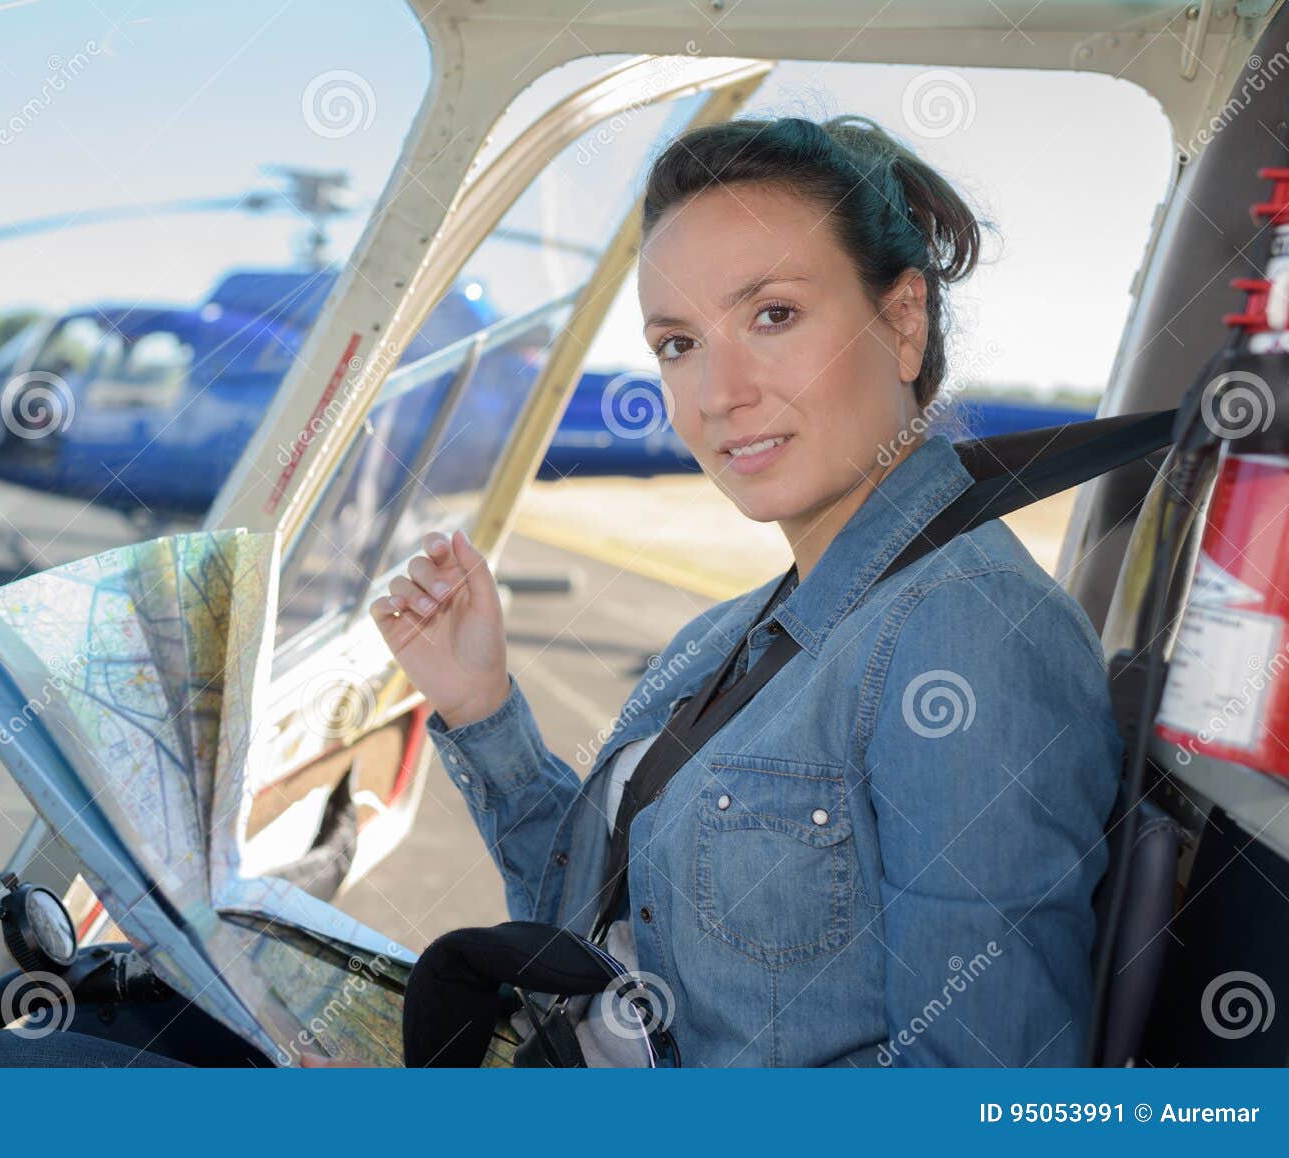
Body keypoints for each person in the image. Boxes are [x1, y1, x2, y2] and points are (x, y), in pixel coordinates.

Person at [368, 114, 1124, 1067]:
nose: (718, 391)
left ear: (902, 323)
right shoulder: (745, 629)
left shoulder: (971, 631)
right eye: (678, 343)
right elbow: (588, 937)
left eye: (772, 315)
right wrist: (482, 708)